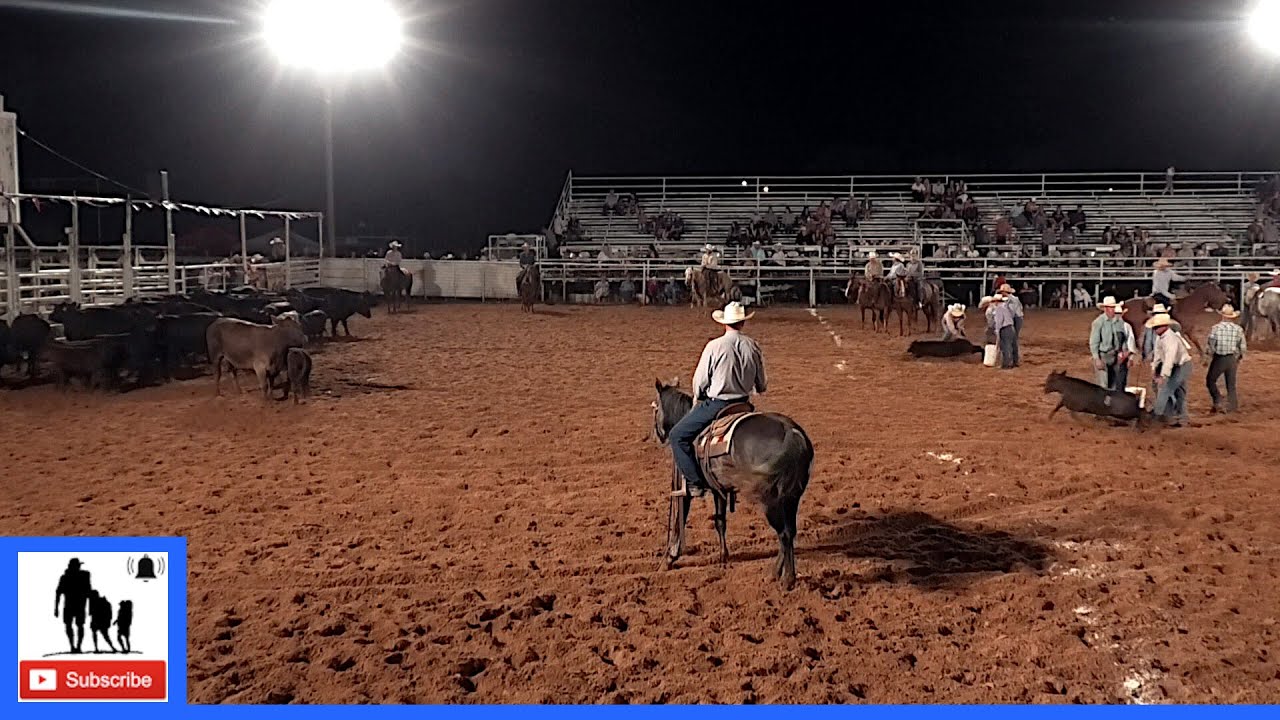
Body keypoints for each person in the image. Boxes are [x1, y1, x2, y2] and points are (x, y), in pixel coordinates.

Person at [668, 302, 767, 497]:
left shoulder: (714, 346)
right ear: (742, 323)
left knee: (677, 436)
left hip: (718, 405)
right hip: (744, 405)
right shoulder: (753, 346)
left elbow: (699, 382)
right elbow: (762, 385)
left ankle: (695, 483)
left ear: (724, 323)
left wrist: (700, 394)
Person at [1148, 313, 1192, 426]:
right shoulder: (1160, 338)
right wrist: (1153, 368)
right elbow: (1158, 355)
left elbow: (1169, 358)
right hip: (1178, 365)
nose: (1154, 329)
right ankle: (1179, 417)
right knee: (1179, 392)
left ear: (1164, 326)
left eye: (1156, 327)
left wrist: (1164, 375)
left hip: (1182, 365)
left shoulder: (1170, 339)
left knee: (1165, 388)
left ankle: (1158, 415)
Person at [1089, 296, 1137, 391]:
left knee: (1114, 384)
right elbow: (1094, 342)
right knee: (1103, 385)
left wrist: (1122, 352)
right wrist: (1097, 359)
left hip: (1115, 356)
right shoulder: (1098, 322)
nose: (1113, 310)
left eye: (1113, 307)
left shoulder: (1119, 321)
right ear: (1106, 309)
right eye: (1111, 307)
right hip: (1103, 355)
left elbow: (1122, 338)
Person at [1205, 304, 1246, 413]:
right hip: (1232, 358)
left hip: (1220, 358)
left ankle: (1218, 401)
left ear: (1222, 316)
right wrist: (1239, 358)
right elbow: (1242, 346)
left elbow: (1211, 344)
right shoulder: (1238, 329)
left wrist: (1209, 355)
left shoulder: (1216, 328)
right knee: (1231, 384)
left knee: (1210, 380)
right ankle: (1233, 407)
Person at [55, 558, 92, 654]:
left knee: (77, 625)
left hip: (76, 605)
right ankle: (74, 646)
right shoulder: (81, 576)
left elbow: (88, 591)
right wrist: (56, 607)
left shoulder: (84, 575)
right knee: (73, 625)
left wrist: (56, 607)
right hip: (75, 605)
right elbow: (58, 592)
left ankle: (76, 646)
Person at [997, 283, 1023, 366]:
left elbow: (1012, 312)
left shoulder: (1012, 300)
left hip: (1016, 318)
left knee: (1012, 339)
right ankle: (1014, 360)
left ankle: (1012, 360)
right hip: (1016, 318)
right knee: (1013, 339)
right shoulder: (1012, 299)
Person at [988, 294, 1017, 369]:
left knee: (1005, 347)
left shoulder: (998, 308)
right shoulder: (1006, 307)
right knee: (1011, 346)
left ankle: (1006, 364)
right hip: (1011, 327)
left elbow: (999, 321)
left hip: (1005, 329)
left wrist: (997, 331)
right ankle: (1013, 362)